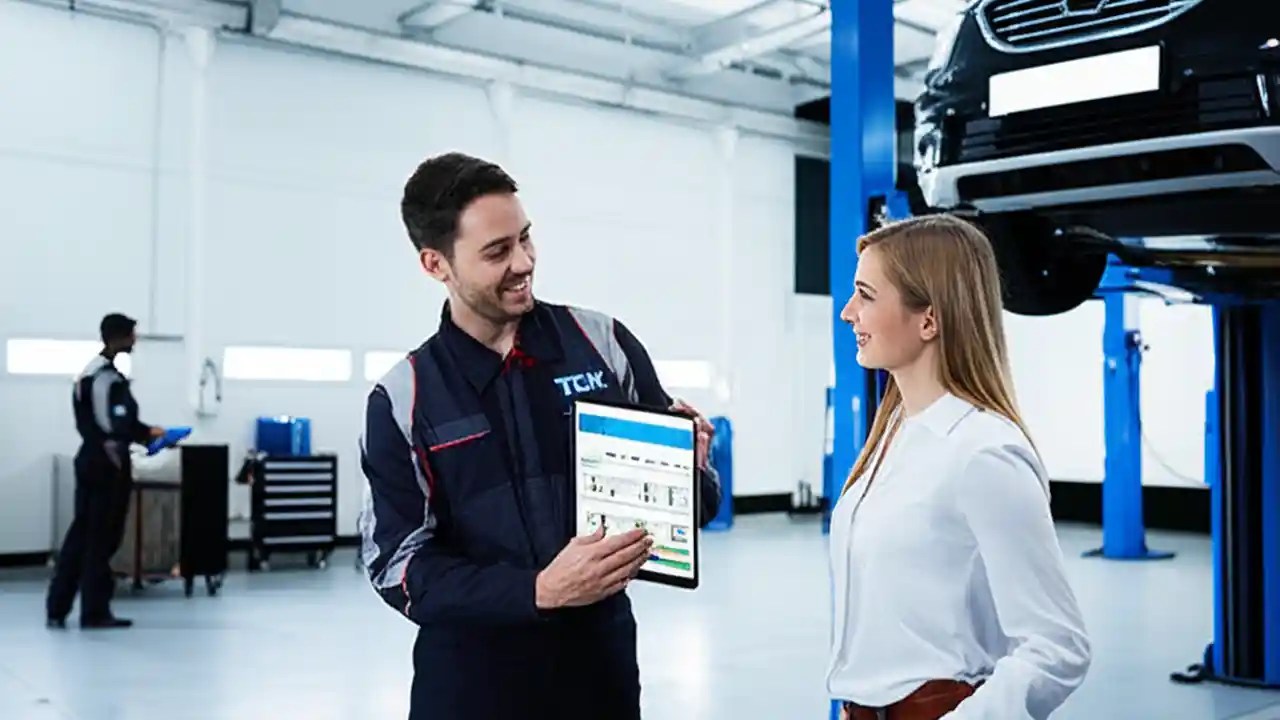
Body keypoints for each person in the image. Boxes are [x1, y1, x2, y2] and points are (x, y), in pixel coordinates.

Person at [357, 151, 722, 720]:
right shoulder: (404, 398)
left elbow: (691, 511)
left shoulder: (602, 345)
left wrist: (692, 469)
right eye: (497, 252)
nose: (524, 262)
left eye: (526, 239)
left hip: (599, 677)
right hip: (470, 688)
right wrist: (538, 591)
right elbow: (397, 566)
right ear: (436, 264)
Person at [826, 214, 1091, 720]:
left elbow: (1058, 647)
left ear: (929, 319)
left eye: (866, 294)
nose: (847, 312)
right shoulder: (895, 436)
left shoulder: (984, 454)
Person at [46, 313, 163, 630]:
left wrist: (149, 433)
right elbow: (108, 425)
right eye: (132, 335)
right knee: (100, 539)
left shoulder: (97, 373)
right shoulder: (103, 377)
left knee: (83, 535)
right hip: (104, 463)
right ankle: (94, 612)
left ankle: (58, 607)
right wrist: (134, 438)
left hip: (97, 459)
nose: (136, 340)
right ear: (119, 338)